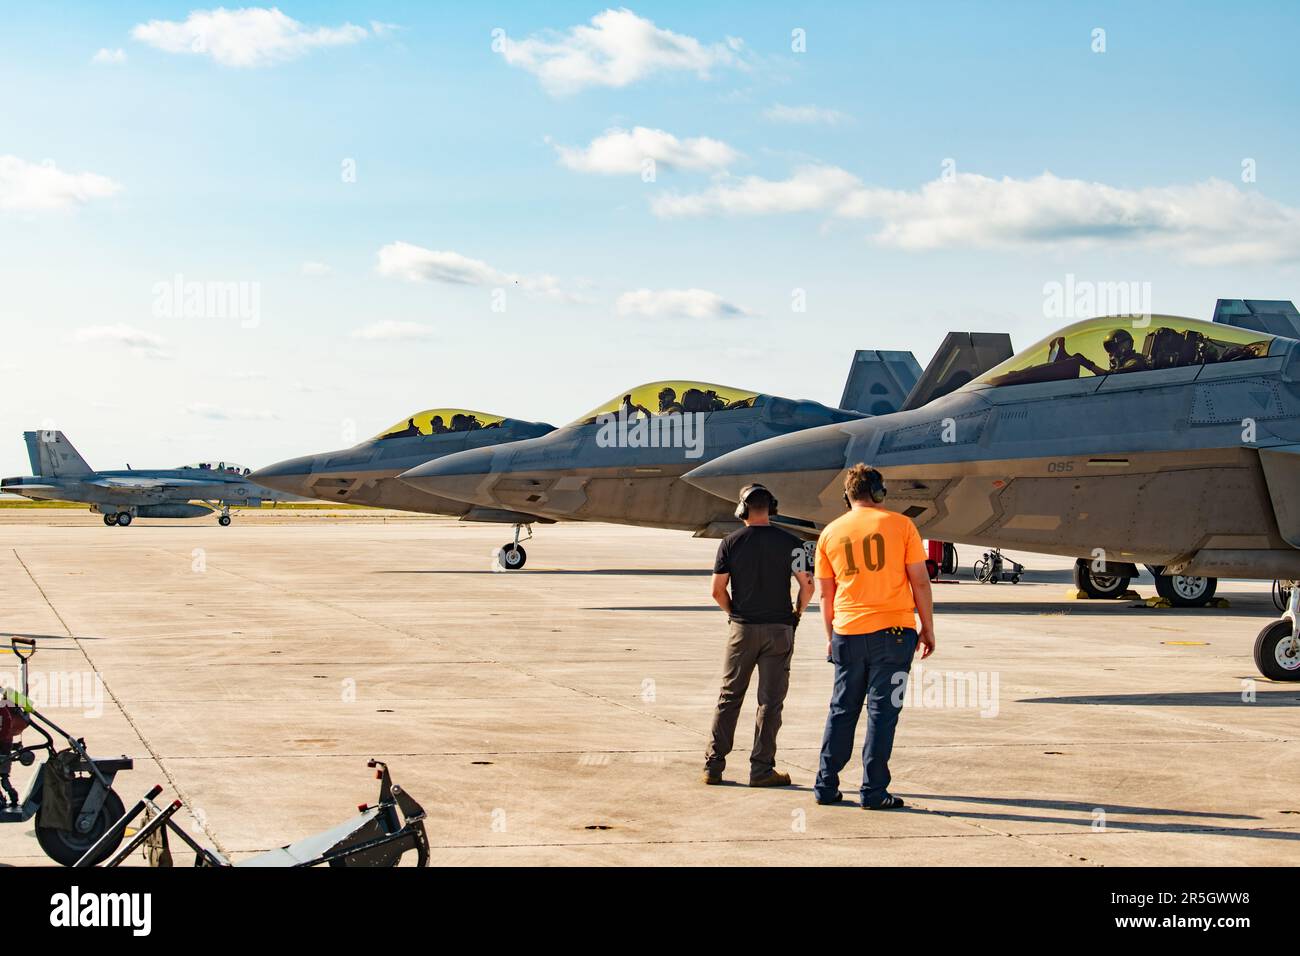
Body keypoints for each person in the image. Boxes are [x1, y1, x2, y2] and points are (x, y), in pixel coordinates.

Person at [813, 464, 935, 809]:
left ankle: (826, 784)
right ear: (880, 493)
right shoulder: (902, 526)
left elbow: (826, 594)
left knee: (842, 709)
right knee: (883, 713)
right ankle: (873, 791)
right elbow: (920, 582)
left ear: (846, 496)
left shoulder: (831, 533)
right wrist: (927, 627)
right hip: (894, 635)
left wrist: (831, 635)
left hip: (847, 633)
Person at [704, 483, 814, 787]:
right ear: (773, 508)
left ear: (742, 510)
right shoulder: (793, 543)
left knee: (729, 697)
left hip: (742, 629)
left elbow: (716, 590)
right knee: (770, 703)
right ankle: (761, 769)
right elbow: (807, 586)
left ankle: (714, 766)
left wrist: (733, 614)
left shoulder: (729, 543)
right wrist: (797, 614)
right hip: (779, 630)